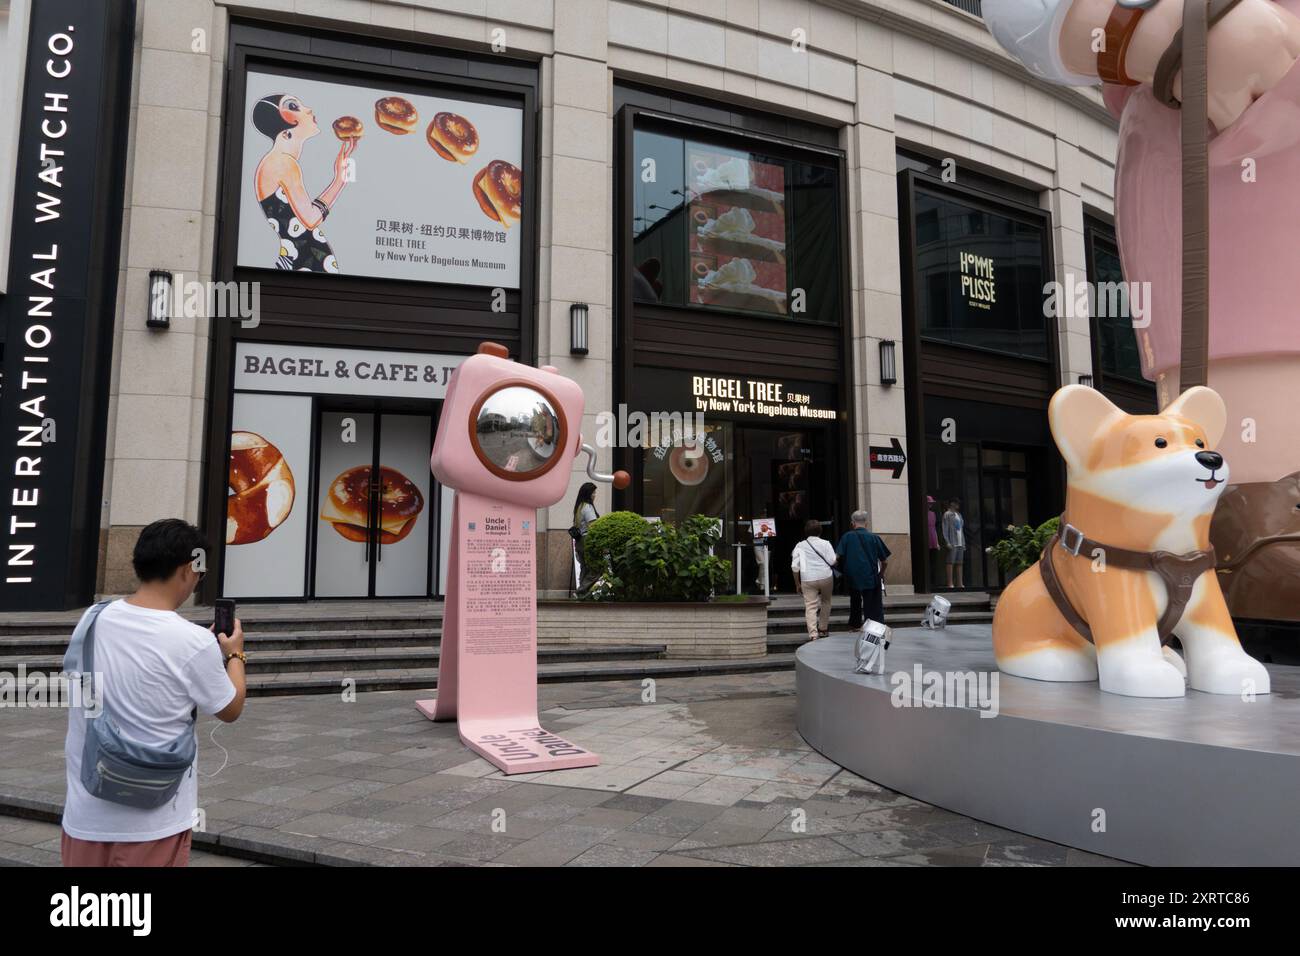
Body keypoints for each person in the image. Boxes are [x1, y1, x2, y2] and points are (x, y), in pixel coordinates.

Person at [61, 519, 247, 867]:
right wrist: (234, 653)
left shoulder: (91, 619)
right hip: (154, 823)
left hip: (86, 817)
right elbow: (230, 707)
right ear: (187, 570)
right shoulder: (193, 640)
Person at [252, 92, 356, 272]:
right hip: (304, 263)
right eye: (293, 106)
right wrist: (339, 180)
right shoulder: (283, 162)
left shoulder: (277, 162)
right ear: (283, 127)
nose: (308, 110)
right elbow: (310, 219)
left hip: (299, 259)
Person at [836, 510, 891, 631]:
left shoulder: (846, 537)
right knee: (872, 603)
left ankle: (855, 625)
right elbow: (885, 561)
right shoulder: (874, 537)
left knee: (855, 600)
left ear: (852, 523)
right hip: (870, 575)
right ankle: (872, 626)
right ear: (866, 523)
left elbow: (837, 557)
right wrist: (881, 574)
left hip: (852, 577)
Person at [791, 519, 837, 640]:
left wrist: (797, 583)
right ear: (820, 531)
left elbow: (795, 567)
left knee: (810, 606)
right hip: (826, 576)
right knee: (826, 602)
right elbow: (832, 561)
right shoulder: (826, 543)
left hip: (808, 578)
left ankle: (813, 634)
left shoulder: (799, 545)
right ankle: (823, 629)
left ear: (806, 532)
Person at [571, 482, 600, 595]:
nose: (595, 495)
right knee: (596, 569)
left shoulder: (579, 506)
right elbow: (592, 526)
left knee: (585, 568)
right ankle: (581, 591)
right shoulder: (587, 507)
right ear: (588, 494)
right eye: (593, 492)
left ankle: (581, 595)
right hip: (587, 540)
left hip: (579, 541)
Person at [942, 498, 965, 590]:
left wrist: (963, 543)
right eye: (956, 503)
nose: (958, 505)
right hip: (952, 541)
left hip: (960, 542)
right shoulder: (947, 514)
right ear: (952, 504)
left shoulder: (959, 515)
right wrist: (947, 541)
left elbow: (961, 530)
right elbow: (945, 528)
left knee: (960, 562)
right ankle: (950, 583)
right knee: (950, 562)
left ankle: (960, 583)